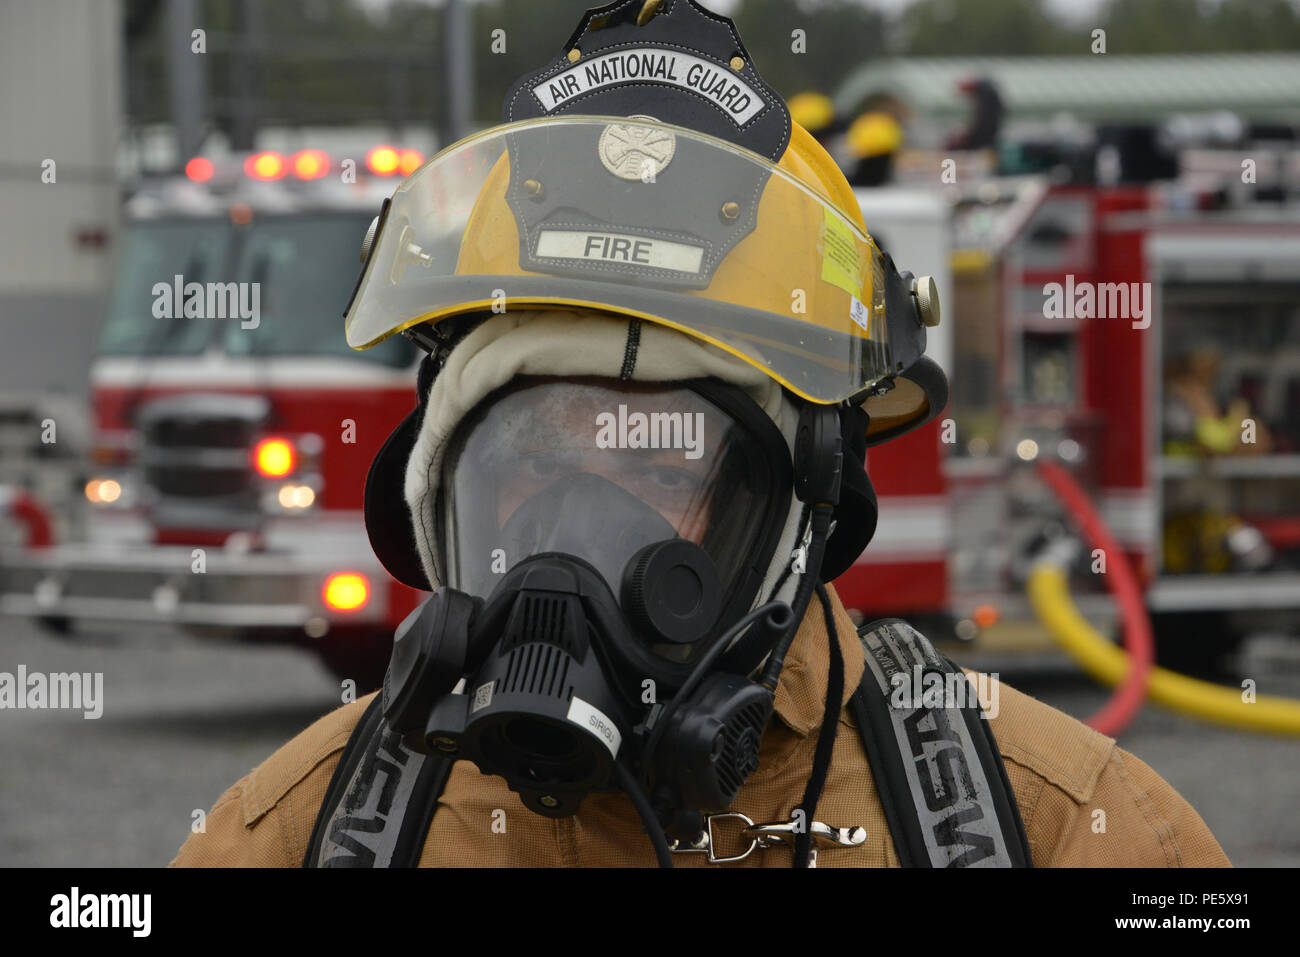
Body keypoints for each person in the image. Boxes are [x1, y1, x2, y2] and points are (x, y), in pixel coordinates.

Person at [171, 0, 1228, 869]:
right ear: (437, 487)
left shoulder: (1063, 833)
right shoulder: (295, 840)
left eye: (658, 456)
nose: (576, 528)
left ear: (799, 508)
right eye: (531, 454)